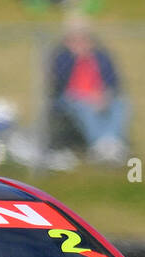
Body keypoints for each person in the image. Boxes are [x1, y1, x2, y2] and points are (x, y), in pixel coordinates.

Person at [48, 12, 130, 165]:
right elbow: (59, 84)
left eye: (84, 37)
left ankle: (112, 142)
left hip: (100, 95)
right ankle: (99, 145)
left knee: (120, 104)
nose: (81, 42)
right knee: (84, 106)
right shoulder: (62, 57)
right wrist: (75, 57)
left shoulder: (101, 56)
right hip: (71, 97)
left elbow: (113, 82)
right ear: (68, 40)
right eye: (75, 38)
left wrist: (106, 95)